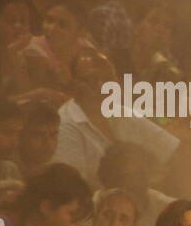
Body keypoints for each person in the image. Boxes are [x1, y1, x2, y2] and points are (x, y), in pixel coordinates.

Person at [52, 49, 179, 185]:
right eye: (92, 79)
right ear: (74, 84)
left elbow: (174, 150)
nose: (102, 86)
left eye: (108, 79)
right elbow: (74, 187)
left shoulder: (122, 113)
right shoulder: (64, 125)